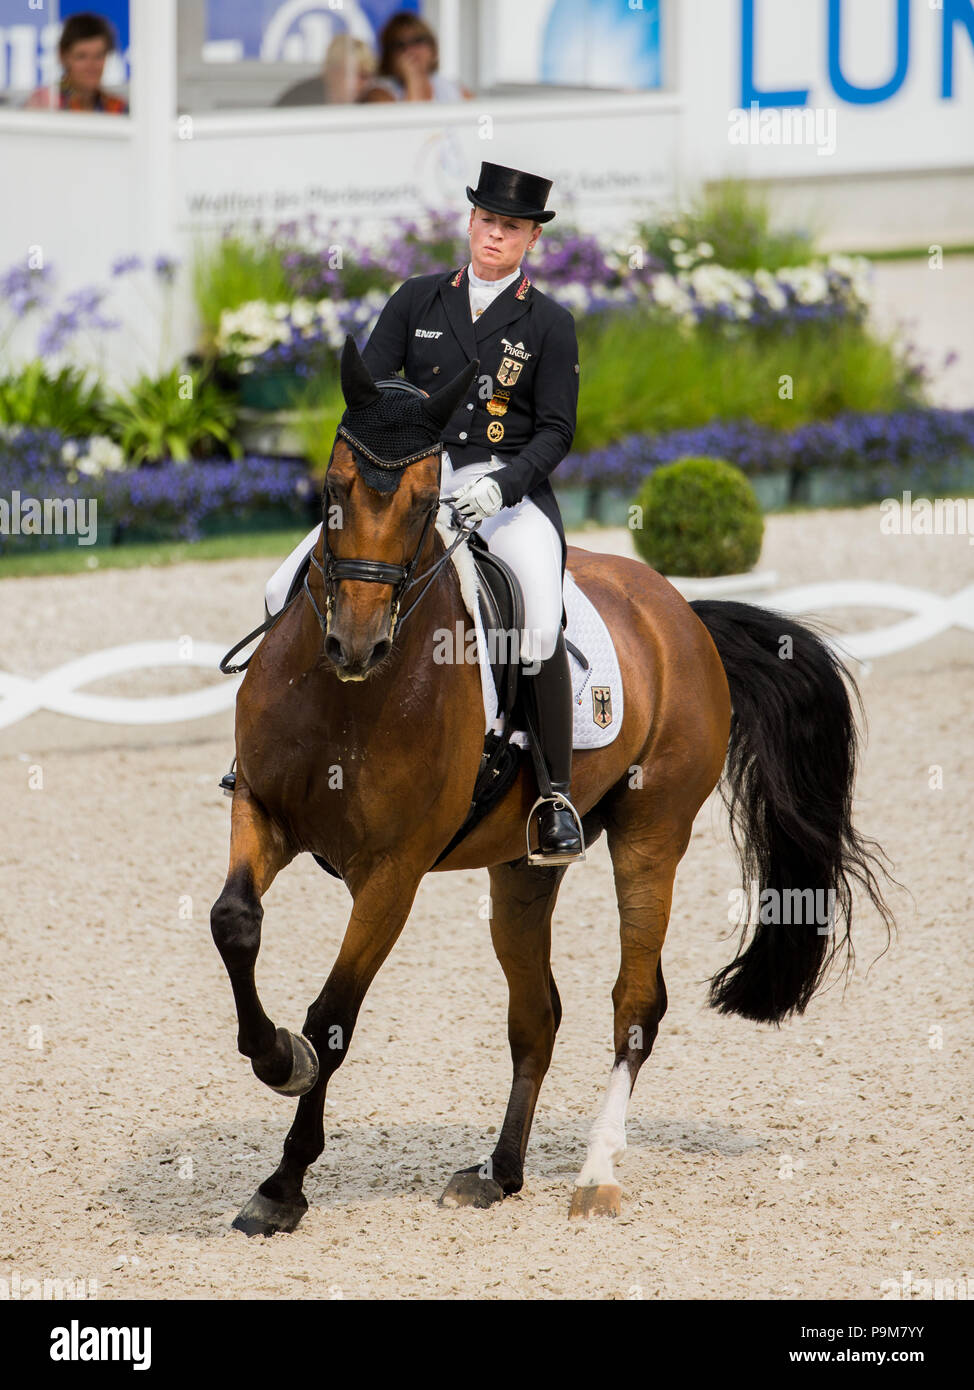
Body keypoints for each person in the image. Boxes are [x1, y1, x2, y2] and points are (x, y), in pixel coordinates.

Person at [264, 162, 584, 864]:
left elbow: (558, 430)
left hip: (507, 492)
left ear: (531, 238)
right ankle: (272, 752)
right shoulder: (417, 300)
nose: (497, 234)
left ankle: (554, 794)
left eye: (512, 226)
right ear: (470, 222)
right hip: (411, 481)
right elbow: (369, 396)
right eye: (488, 220)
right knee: (279, 584)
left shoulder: (549, 323)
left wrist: (504, 486)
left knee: (535, 614)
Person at [23, 11, 127, 114]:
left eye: (98, 56)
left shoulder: (118, 109)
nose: (91, 65)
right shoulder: (44, 103)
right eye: (81, 56)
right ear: (63, 56)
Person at [361, 11, 471, 103]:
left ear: (432, 48)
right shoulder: (379, 93)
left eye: (418, 41)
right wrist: (412, 80)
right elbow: (409, 125)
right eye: (399, 45)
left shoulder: (450, 87)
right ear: (388, 56)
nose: (410, 50)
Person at [274, 34, 378, 107]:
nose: (364, 84)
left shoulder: (369, 102)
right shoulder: (301, 100)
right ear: (332, 72)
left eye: (367, 77)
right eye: (358, 75)